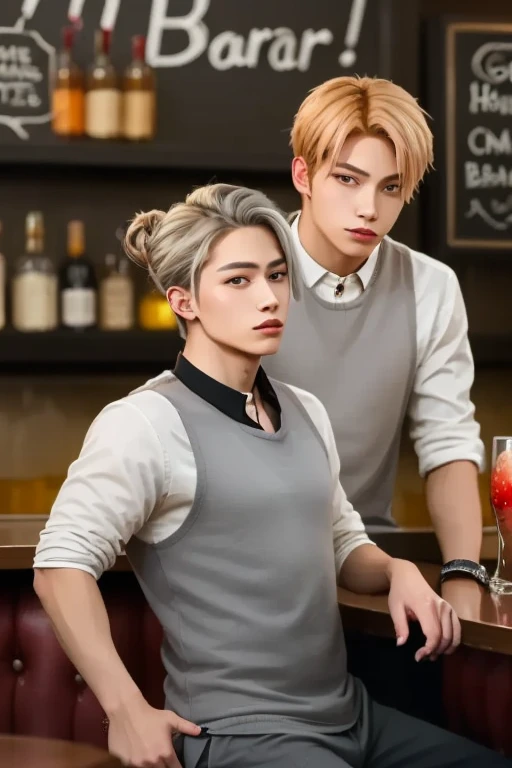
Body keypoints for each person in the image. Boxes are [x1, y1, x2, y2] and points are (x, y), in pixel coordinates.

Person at [33, 184, 505, 768]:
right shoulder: (144, 423)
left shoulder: (305, 409)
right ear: (185, 302)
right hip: (240, 735)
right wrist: (126, 708)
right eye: (239, 280)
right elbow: (60, 567)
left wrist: (396, 569)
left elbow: (341, 541)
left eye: (277, 276)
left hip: (352, 718)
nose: (269, 298)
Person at [264, 75, 488, 597]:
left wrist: (461, 573)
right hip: (246, 562)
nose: (370, 207)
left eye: (390, 187)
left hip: (369, 569)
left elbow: (448, 442)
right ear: (304, 173)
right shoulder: (246, 268)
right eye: (347, 179)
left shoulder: (431, 287)